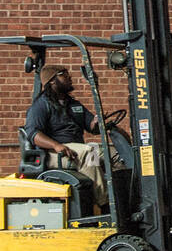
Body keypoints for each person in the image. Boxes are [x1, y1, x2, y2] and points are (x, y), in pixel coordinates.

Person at [24, 64, 109, 213]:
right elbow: (33, 134)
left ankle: (125, 199)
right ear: (52, 81)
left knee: (114, 154)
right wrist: (56, 145)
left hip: (76, 150)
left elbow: (91, 127)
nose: (69, 77)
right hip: (53, 153)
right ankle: (106, 206)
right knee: (91, 152)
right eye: (64, 74)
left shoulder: (73, 104)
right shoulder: (41, 105)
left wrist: (97, 122)